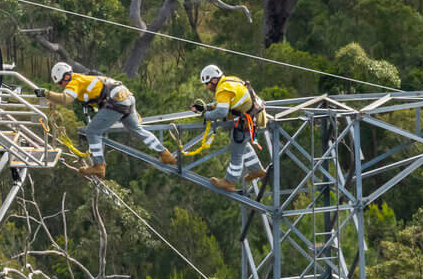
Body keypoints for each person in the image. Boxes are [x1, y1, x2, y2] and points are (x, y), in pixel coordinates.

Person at [46, 62, 177, 178]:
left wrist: (46, 94)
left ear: (66, 77)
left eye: (60, 83)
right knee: (136, 129)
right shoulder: (84, 78)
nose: (61, 86)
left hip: (116, 102)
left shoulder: (75, 81)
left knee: (92, 131)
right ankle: (165, 154)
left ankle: (99, 166)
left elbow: (65, 99)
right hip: (127, 97)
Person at [192, 64, 267, 191]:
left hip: (249, 120)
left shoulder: (222, 89)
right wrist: (208, 108)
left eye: (207, 83)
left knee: (236, 150)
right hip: (255, 115)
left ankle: (230, 181)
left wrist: (206, 115)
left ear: (214, 80)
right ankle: (257, 170)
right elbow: (225, 104)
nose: (207, 87)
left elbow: (222, 112)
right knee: (242, 144)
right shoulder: (229, 81)